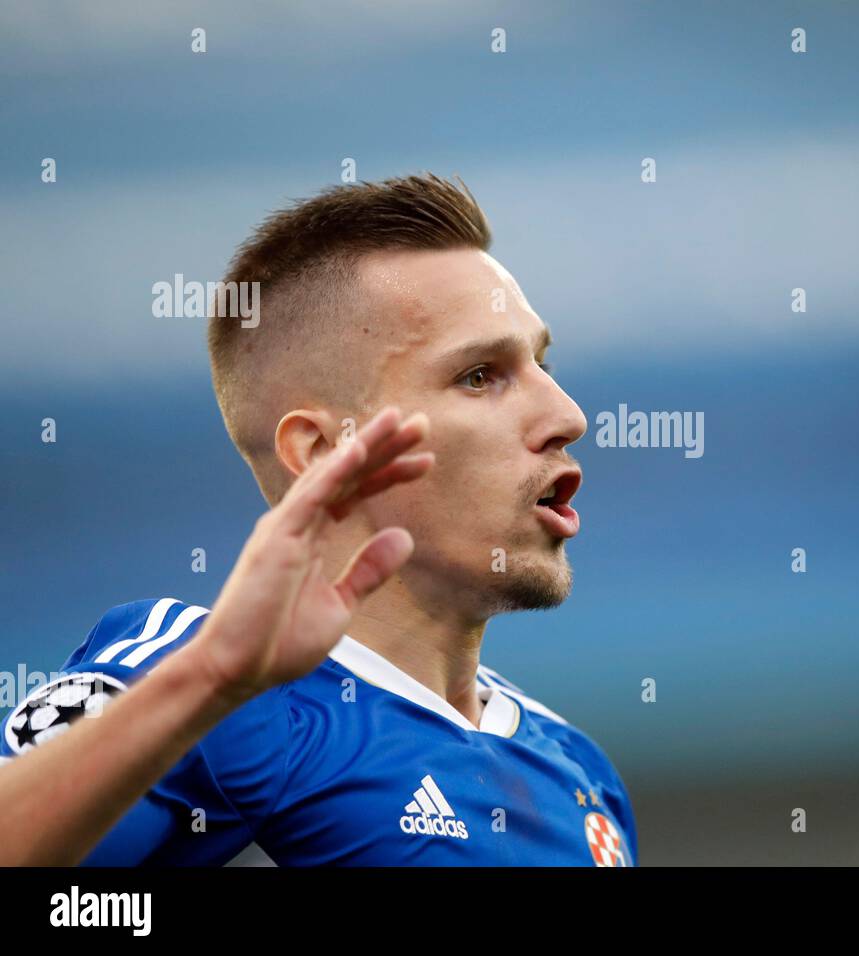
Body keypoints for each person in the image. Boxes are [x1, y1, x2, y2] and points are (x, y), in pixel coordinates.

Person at [0, 173, 636, 867]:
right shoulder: (195, 685)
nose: (567, 416)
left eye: (542, 363)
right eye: (480, 375)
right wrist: (208, 679)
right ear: (325, 450)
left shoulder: (578, 773)